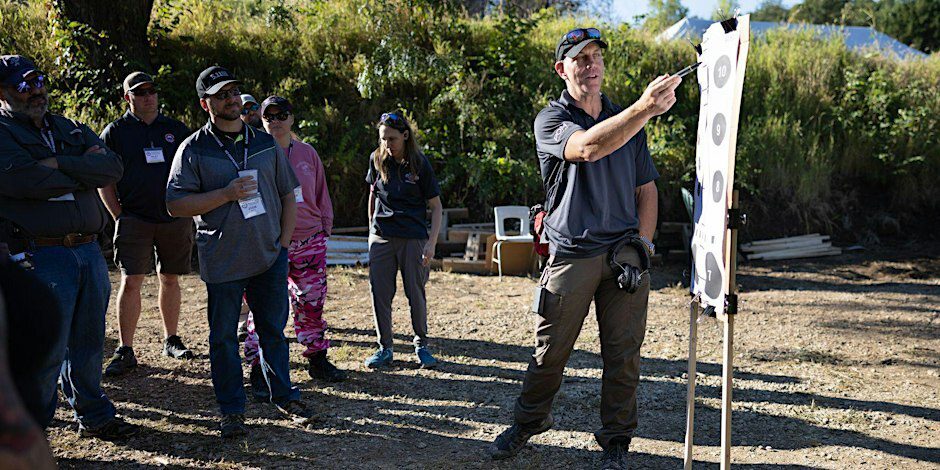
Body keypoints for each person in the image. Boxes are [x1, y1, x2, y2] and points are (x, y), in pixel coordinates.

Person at [488, 28, 680, 469]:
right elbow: (588, 148)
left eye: (596, 56)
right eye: (580, 58)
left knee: (624, 355)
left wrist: (644, 246)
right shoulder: (551, 120)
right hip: (572, 253)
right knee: (550, 351)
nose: (591, 64)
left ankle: (616, 440)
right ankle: (528, 423)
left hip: (623, 256)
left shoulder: (627, 118)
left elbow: (646, 189)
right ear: (562, 69)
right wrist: (645, 108)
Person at [166, 66, 312, 438]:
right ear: (205, 104)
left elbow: (286, 194)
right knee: (223, 339)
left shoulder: (264, 143)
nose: (231, 99)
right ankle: (232, 410)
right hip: (223, 259)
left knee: (273, 332)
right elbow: (175, 205)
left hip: (268, 257)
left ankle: (284, 395)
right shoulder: (193, 149)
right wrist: (225, 195)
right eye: (221, 94)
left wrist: (282, 245)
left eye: (234, 91)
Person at [0, 54, 137, 439]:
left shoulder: (68, 127)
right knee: (45, 350)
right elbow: (22, 181)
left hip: (88, 251)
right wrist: (80, 168)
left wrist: (55, 163)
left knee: (90, 342)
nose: (35, 91)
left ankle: (93, 415)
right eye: (22, 86)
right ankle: (33, 433)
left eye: (38, 80)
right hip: (40, 254)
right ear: (2, 93)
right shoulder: (2, 132)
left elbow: (112, 169)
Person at [241, 96, 346, 383]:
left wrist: (325, 226)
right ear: (261, 120)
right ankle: (258, 366)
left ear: (291, 118)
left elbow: (321, 191)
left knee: (311, 302)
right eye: (269, 116)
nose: (275, 120)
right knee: (265, 307)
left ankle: (317, 359)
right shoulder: (253, 153)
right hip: (270, 242)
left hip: (309, 239)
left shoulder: (307, 152)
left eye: (281, 114)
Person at [98, 72, 195, 377]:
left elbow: (193, 171)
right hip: (135, 219)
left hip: (173, 218)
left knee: (170, 278)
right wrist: (119, 215)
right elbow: (104, 178)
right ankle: (126, 349)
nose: (148, 97)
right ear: (128, 98)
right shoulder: (115, 132)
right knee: (131, 281)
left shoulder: (175, 129)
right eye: (140, 93)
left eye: (152, 91)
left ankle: (172, 338)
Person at [363, 111, 443, 369]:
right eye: (383, 139)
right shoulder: (377, 160)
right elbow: (372, 196)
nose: (387, 144)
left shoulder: (420, 164)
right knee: (380, 294)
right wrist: (371, 233)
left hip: (413, 238)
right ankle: (384, 347)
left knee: (415, 294)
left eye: (392, 139)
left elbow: (436, 207)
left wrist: (431, 243)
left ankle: (421, 345)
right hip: (382, 237)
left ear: (405, 136)